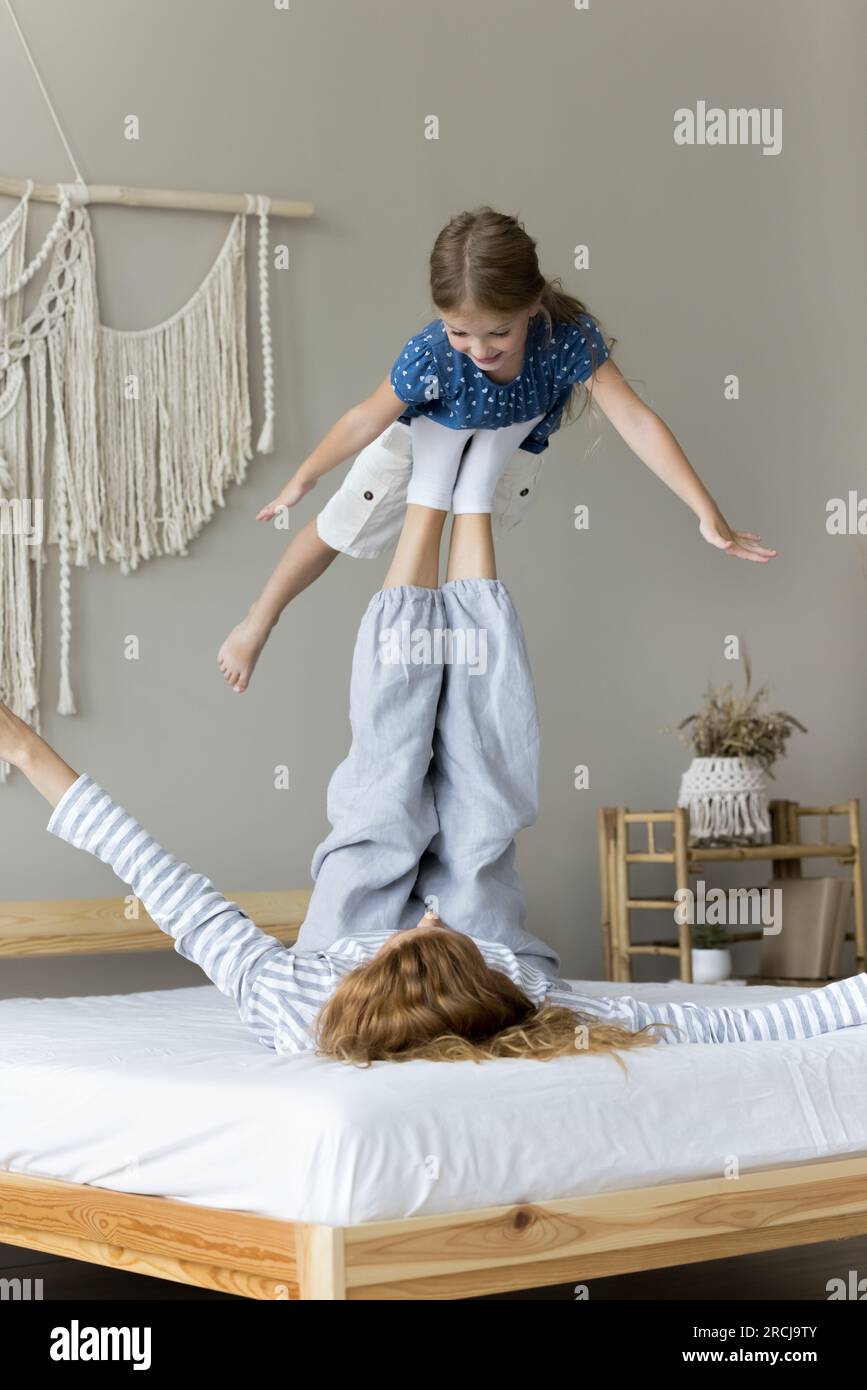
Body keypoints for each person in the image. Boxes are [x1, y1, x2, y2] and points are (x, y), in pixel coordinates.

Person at [7, 505, 860, 1069]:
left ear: (366, 969)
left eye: (412, 931)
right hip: (485, 963)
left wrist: (23, 746)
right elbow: (737, 1023)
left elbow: (160, 880)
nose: (425, 906)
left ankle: (426, 509)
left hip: (338, 951)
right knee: (483, 809)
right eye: (435, 929)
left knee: (381, 798)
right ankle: (473, 504)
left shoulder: (281, 995)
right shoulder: (523, 1000)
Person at [217, 205, 776, 693]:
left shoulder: (566, 338)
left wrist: (706, 512)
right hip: (422, 437)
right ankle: (259, 618)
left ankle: (457, 670)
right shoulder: (431, 355)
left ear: (532, 305)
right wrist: (306, 476)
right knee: (340, 526)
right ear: (442, 320)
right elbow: (366, 416)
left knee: (473, 516)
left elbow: (635, 420)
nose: (478, 349)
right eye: (460, 332)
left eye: (497, 334)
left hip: (508, 447)